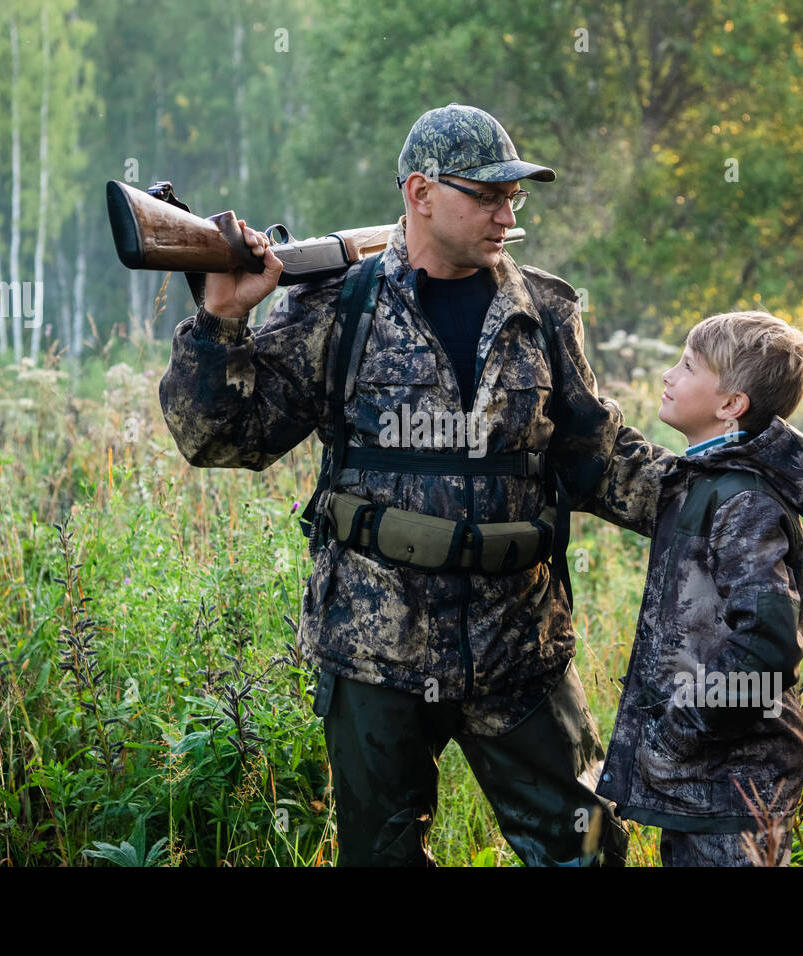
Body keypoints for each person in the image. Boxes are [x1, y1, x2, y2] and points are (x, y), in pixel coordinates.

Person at [158, 103, 655, 866]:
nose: (505, 213)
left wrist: (720, 494)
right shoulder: (339, 306)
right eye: (485, 195)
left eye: (513, 196)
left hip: (518, 646)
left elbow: (598, 455)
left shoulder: (545, 309)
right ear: (420, 192)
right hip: (374, 649)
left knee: (587, 852)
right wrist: (222, 322)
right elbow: (224, 438)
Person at [588, 310, 803, 866]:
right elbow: (613, 467)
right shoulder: (701, 480)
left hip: (733, 786)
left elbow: (767, 646)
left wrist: (679, 733)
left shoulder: (743, 501)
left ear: (730, 405)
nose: (669, 376)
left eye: (687, 365)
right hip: (703, 785)